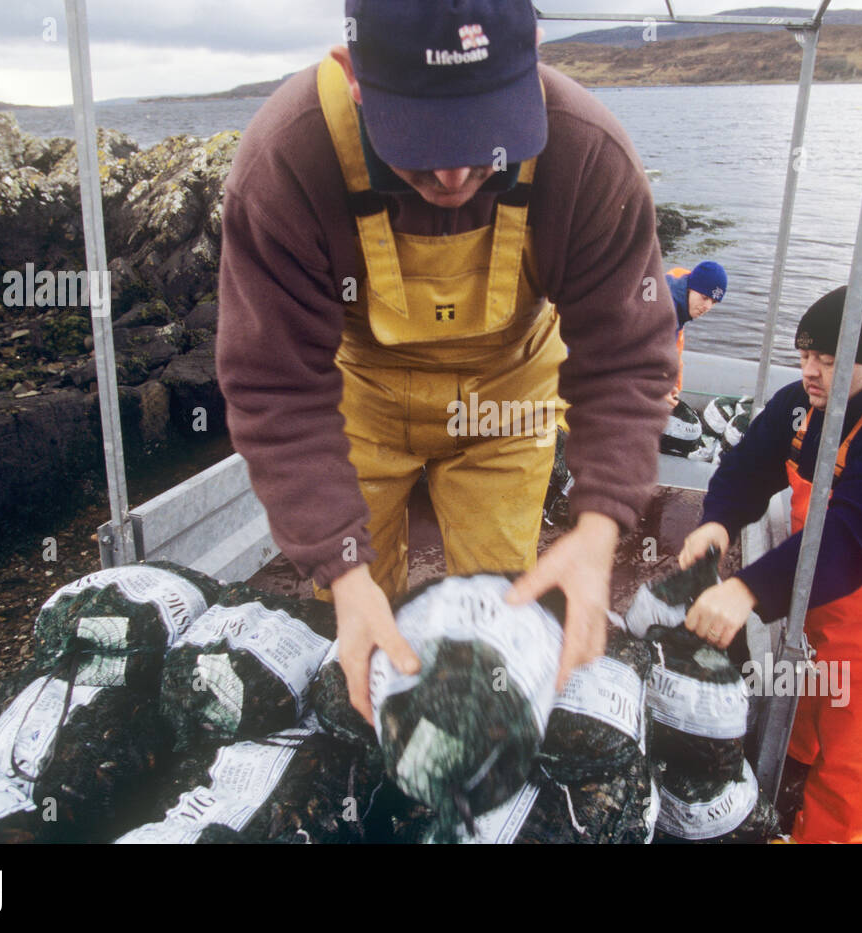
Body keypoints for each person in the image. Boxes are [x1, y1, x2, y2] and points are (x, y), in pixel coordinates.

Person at [216, 1, 676, 723]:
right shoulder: (288, 158)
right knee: (362, 615)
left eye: (487, 132)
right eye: (423, 137)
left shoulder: (588, 153)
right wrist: (343, 572)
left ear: (533, 54)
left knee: (499, 610)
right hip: (360, 408)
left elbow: (625, 358)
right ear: (353, 73)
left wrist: (598, 529)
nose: (456, 172)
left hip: (507, 405)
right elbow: (276, 386)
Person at [677, 285, 862, 843]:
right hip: (820, 589)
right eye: (805, 355)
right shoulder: (800, 405)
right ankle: (790, 789)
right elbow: (747, 467)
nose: (810, 371)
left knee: (856, 757)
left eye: (828, 360)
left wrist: (746, 590)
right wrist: (719, 521)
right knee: (806, 705)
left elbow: (850, 541)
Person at [664, 260, 726, 406]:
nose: (707, 307)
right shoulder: (664, 309)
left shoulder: (679, 310)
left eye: (714, 302)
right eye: (704, 297)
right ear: (690, 288)